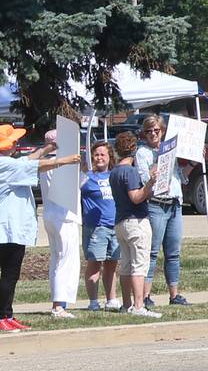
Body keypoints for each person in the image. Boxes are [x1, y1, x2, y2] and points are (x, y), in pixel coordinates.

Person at [0, 123, 79, 331]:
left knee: (12, 272)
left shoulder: (3, 160)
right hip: (6, 225)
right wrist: (63, 161)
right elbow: (32, 166)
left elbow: (25, 161)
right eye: (13, 141)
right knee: (9, 272)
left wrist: (45, 149)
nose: (16, 143)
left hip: (11, 224)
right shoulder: (0, 164)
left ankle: (7, 314)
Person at [134, 114, 187, 308]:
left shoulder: (170, 150)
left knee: (173, 253)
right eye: (149, 131)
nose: (153, 134)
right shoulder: (142, 153)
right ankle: (145, 296)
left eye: (156, 130)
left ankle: (174, 295)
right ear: (144, 134)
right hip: (156, 204)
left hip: (174, 203)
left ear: (162, 131)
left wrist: (192, 163)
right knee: (152, 252)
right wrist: (154, 170)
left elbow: (180, 177)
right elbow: (143, 179)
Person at [111, 132, 162, 318]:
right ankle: (139, 306)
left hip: (120, 221)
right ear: (133, 149)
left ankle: (126, 304)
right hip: (136, 220)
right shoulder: (130, 171)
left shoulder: (115, 171)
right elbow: (136, 197)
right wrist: (150, 183)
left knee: (125, 264)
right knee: (139, 265)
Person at [38, 128, 82, 319]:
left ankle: (59, 303)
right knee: (66, 261)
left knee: (57, 260)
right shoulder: (60, 164)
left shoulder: (47, 164)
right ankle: (58, 306)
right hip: (64, 217)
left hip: (51, 215)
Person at [80, 140, 122, 312]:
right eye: (96, 154)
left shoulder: (114, 175)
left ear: (109, 157)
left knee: (112, 264)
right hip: (96, 227)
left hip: (115, 226)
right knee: (94, 263)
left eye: (102, 154)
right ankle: (93, 301)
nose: (99, 158)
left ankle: (111, 299)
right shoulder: (87, 177)